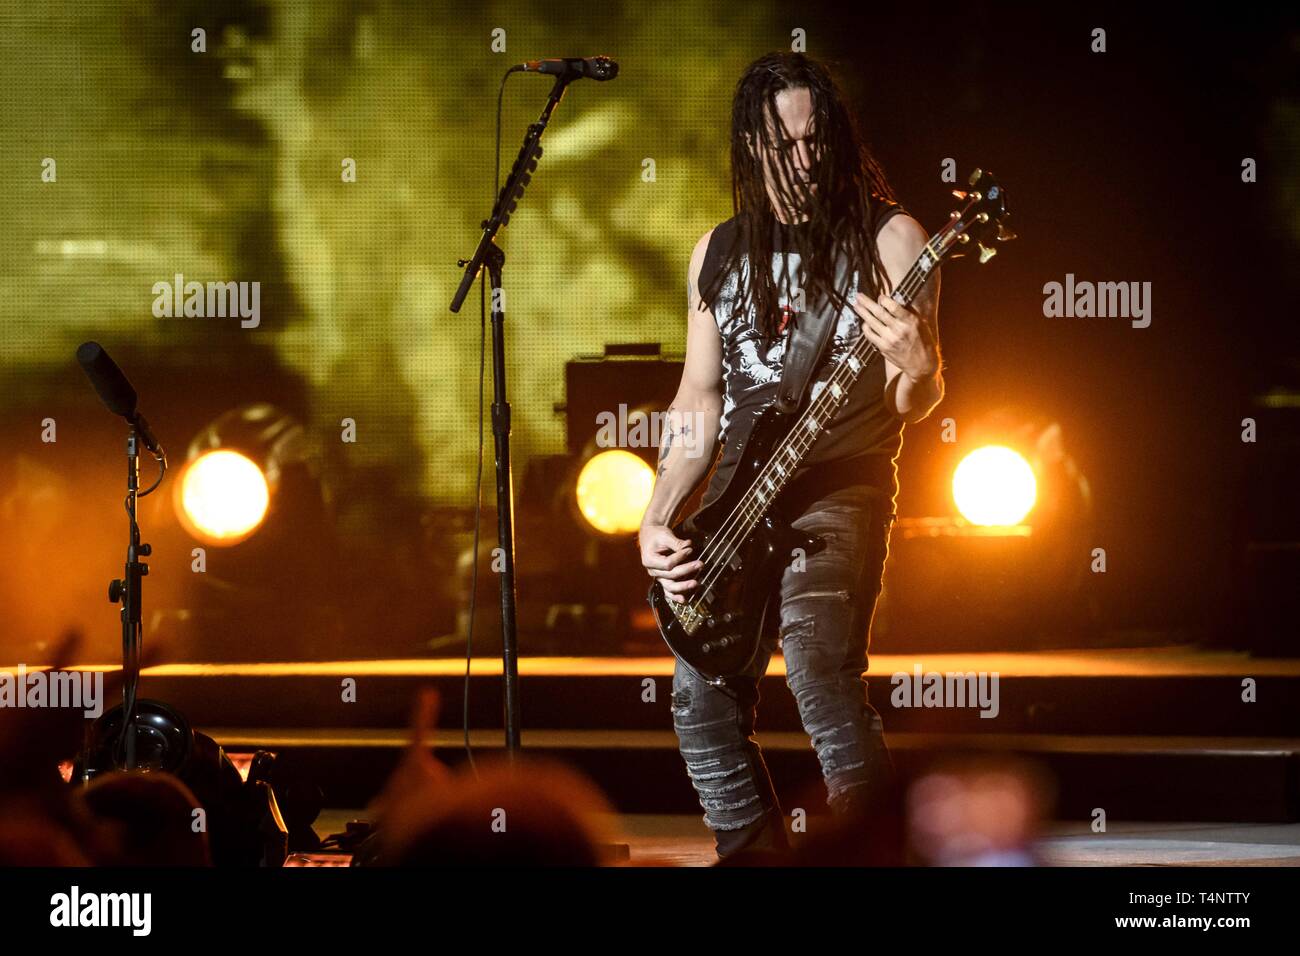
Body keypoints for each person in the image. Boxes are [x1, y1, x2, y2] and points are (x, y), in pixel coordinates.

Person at [638, 51, 944, 861]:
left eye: (816, 141)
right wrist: (658, 512)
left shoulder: (893, 236)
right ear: (750, 146)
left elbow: (911, 405)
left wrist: (924, 366)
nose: (804, 161)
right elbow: (699, 398)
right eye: (784, 144)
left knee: (821, 677)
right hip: (736, 494)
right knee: (700, 701)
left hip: (840, 488)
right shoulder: (717, 251)